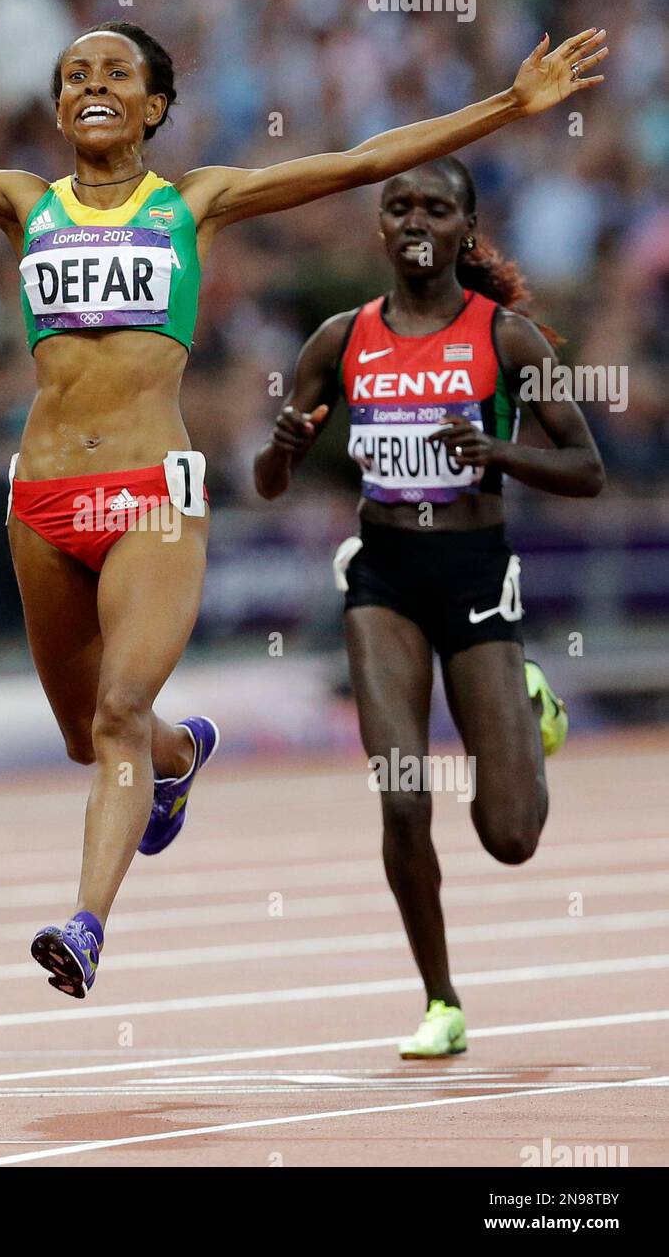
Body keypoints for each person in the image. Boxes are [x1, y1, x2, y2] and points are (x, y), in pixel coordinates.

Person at [0, 0, 607, 999]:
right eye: (73, 76)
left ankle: (86, 924)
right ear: (58, 108)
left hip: (153, 491)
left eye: (114, 74)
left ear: (153, 107)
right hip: (43, 501)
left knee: (113, 715)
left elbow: (359, 161)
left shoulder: (191, 201)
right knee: (88, 735)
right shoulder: (22, 201)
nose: (91, 85)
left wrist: (507, 104)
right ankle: (178, 757)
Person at [254, 157, 605, 1055]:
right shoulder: (340, 339)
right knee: (403, 794)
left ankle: (528, 697)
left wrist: (497, 452)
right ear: (380, 228)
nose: (416, 219)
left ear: (465, 229)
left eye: (436, 208)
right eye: (399, 205)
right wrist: (286, 446)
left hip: (477, 578)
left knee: (512, 837)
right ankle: (440, 1001)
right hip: (384, 579)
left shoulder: (511, 341)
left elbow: (587, 469)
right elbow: (267, 480)